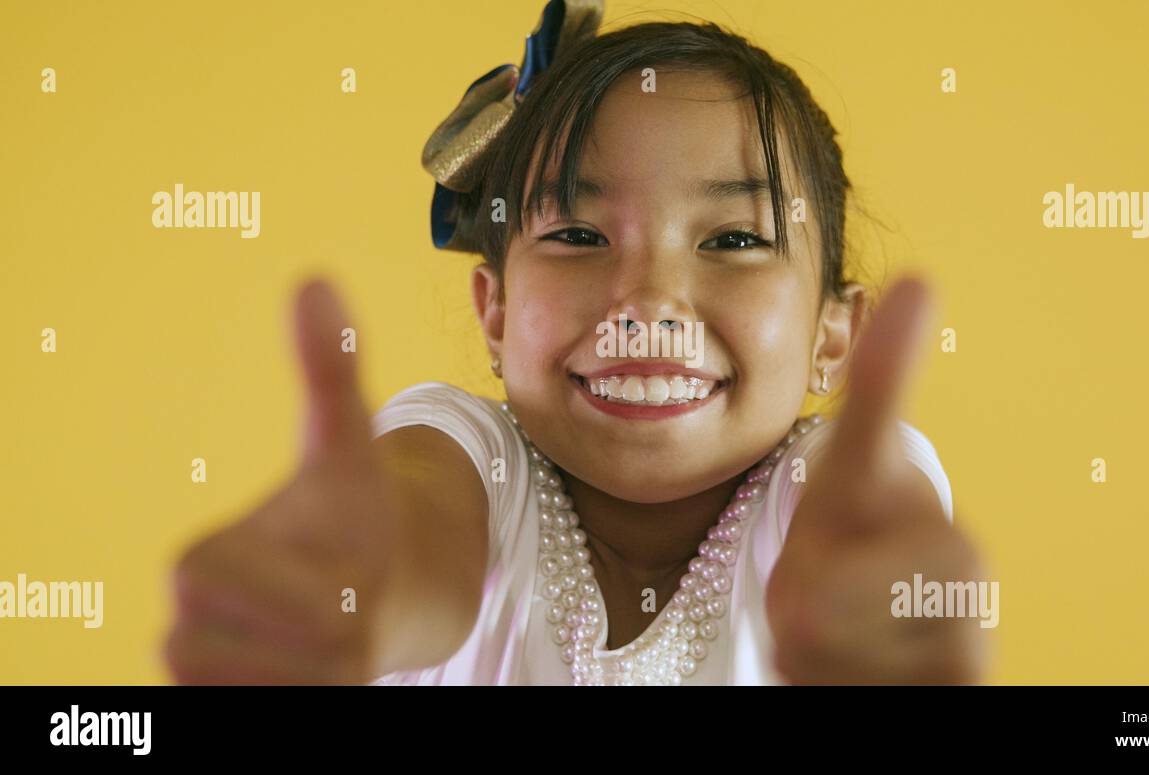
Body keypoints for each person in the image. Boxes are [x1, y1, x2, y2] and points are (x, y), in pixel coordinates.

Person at [164, 0, 988, 686]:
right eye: (580, 233)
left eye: (734, 240)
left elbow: (869, 535)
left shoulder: (833, 485)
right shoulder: (472, 460)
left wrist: (890, 603)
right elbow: (412, 536)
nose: (648, 302)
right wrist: (348, 589)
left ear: (834, 333)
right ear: (495, 309)